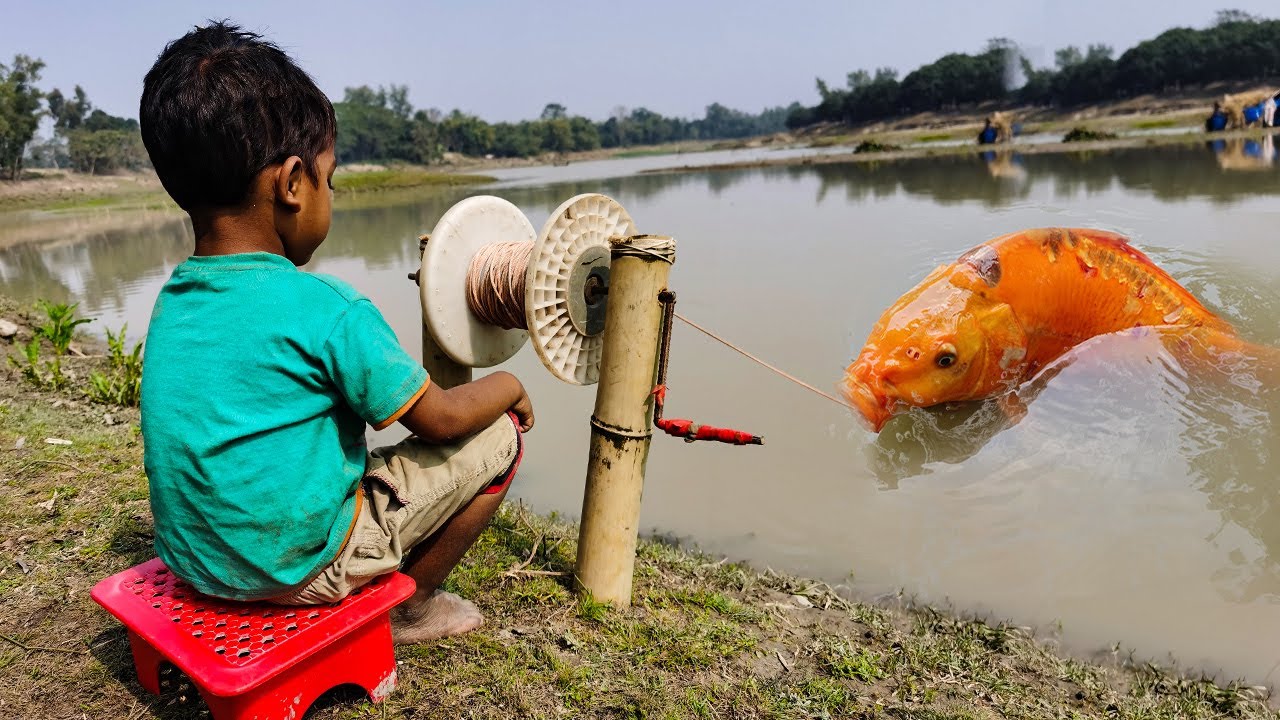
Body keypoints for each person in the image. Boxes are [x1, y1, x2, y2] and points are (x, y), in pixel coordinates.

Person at [137, 21, 534, 644]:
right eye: (332, 179)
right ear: (293, 183)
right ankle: (410, 607)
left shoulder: (173, 301)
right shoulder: (328, 309)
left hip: (200, 565)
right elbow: (441, 421)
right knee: (500, 438)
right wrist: (509, 384)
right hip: (301, 569)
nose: (331, 194)